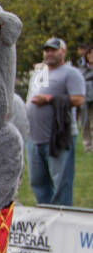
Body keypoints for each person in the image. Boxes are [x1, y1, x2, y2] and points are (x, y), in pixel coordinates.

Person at [25, 37, 86, 205]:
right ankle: (46, 215)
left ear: (63, 52)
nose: (49, 53)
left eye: (53, 49)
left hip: (58, 136)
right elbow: (32, 98)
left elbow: (79, 99)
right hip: (34, 137)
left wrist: (49, 99)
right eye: (47, 50)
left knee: (61, 183)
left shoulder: (70, 73)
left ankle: (62, 218)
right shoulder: (40, 73)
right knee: (37, 182)